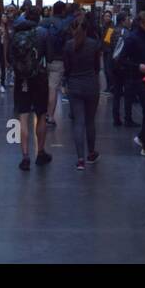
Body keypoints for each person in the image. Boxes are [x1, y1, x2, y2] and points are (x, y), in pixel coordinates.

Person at [11, 6, 52, 171]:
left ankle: (25, 156)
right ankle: (40, 152)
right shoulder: (43, 33)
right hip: (39, 78)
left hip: (22, 79)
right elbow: (49, 57)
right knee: (41, 115)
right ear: (40, 16)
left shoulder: (17, 33)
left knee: (23, 116)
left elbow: (9, 57)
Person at [63, 9, 101, 170]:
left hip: (75, 85)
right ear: (86, 29)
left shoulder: (69, 46)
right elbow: (97, 67)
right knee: (90, 121)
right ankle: (91, 153)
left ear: (72, 29)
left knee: (78, 122)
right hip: (91, 85)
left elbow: (67, 68)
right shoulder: (93, 45)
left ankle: (80, 159)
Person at [120, 10, 145, 156]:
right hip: (137, 79)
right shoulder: (132, 38)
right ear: (142, 23)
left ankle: (143, 137)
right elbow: (121, 59)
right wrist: (137, 66)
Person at [44, 0, 68, 128]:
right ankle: (50, 116)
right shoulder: (65, 24)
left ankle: (41, 113)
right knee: (53, 88)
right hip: (58, 60)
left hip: (43, 59)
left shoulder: (45, 22)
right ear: (63, 10)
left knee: (45, 88)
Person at [109, 11, 133, 127]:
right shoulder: (127, 33)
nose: (130, 21)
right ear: (123, 21)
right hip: (125, 66)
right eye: (128, 19)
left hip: (114, 65)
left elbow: (107, 46)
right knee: (128, 93)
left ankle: (115, 118)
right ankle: (128, 118)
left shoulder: (110, 30)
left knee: (117, 94)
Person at [100, 11, 115, 92]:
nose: (107, 17)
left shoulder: (111, 27)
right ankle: (109, 86)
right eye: (106, 16)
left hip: (109, 50)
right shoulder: (104, 26)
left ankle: (111, 86)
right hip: (106, 50)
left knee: (108, 70)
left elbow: (107, 40)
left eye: (108, 16)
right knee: (106, 69)